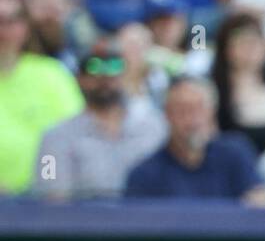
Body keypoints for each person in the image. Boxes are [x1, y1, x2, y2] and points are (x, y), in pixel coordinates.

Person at [30, 39, 167, 199]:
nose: (105, 76)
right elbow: (52, 202)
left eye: (114, 66)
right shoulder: (55, 139)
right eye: (93, 67)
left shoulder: (155, 127)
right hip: (84, 221)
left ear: (126, 74)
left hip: (150, 219)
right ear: (79, 78)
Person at [126, 76, 265, 200]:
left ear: (212, 112)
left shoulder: (236, 153)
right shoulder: (145, 175)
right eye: (182, 110)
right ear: (167, 115)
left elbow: (260, 200)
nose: (192, 120)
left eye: (199, 108)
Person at [0, 0, 84, 194]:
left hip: (43, 200)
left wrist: (50, 182)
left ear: (26, 26)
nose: (3, 31)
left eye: (11, 21)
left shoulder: (52, 74)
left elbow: (69, 137)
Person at [211, 12, 265, 155]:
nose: (251, 47)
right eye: (242, 41)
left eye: (256, 40)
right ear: (226, 48)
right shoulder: (211, 95)